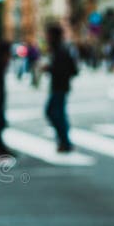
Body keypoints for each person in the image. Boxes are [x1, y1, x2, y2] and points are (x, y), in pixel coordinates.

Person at [44, 23, 78, 153]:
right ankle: (64, 141)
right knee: (57, 113)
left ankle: (65, 141)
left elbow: (69, 70)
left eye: (48, 35)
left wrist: (50, 69)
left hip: (60, 87)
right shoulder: (59, 49)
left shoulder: (61, 50)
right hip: (59, 87)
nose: (46, 37)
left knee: (53, 113)